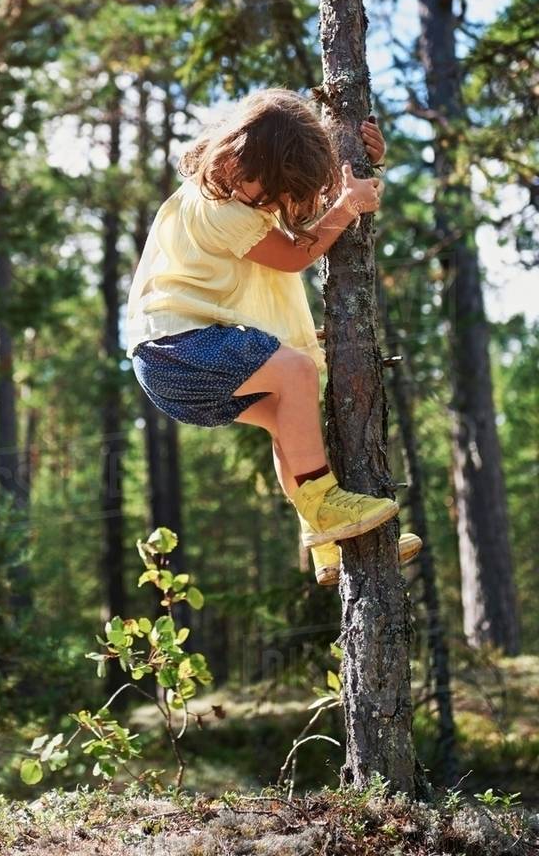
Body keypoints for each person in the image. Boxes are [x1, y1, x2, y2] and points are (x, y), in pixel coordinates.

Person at [126, 87, 421, 587]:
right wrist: (347, 207)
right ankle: (324, 505)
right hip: (175, 351)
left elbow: (306, 219)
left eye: (274, 192)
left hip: (175, 363)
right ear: (233, 154)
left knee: (293, 424)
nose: (262, 198)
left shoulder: (237, 194)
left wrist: (362, 168)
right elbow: (295, 254)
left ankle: (325, 541)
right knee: (296, 371)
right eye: (259, 183)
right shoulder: (218, 206)